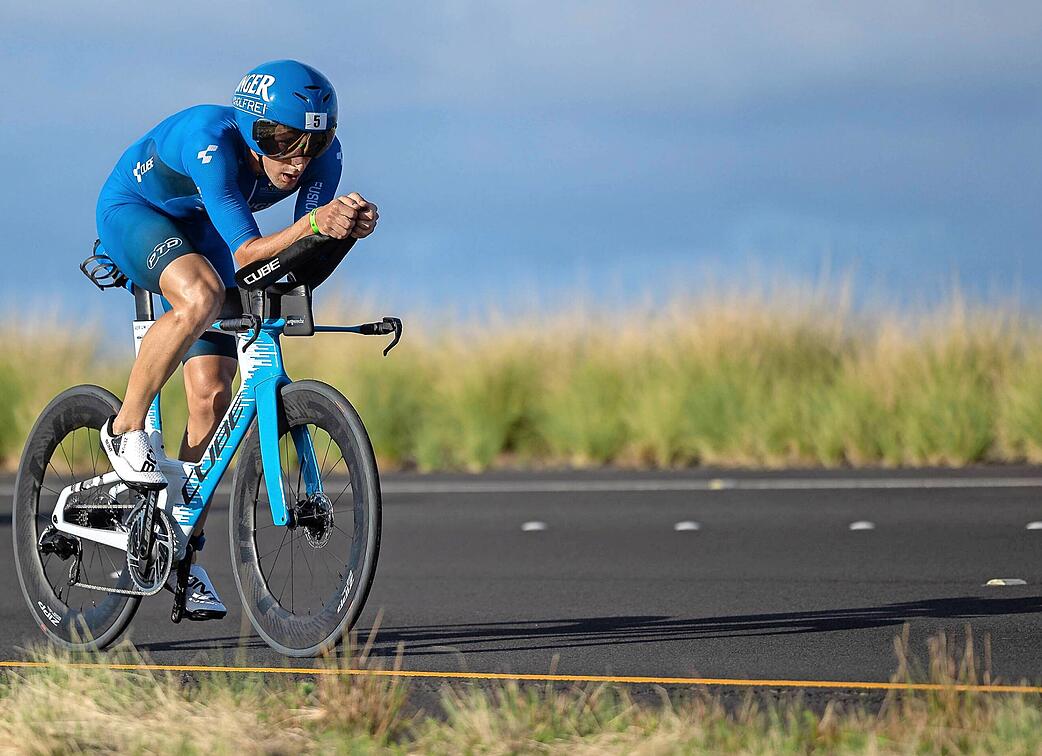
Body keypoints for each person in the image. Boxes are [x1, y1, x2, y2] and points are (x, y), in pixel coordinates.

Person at [94, 60, 378, 619]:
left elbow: (296, 260)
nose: (298, 159)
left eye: (313, 142)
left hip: (210, 229)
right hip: (140, 213)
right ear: (252, 129)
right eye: (282, 139)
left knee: (211, 397)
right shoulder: (211, 142)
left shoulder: (324, 159)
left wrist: (344, 233)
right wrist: (318, 223)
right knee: (199, 296)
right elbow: (250, 252)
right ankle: (124, 428)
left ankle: (179, 552)